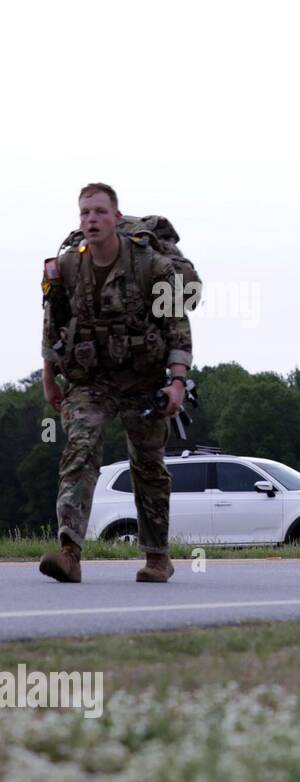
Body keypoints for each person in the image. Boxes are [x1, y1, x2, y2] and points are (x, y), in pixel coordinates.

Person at [38, 183, 193, 584]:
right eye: (85, 213)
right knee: (80, 446)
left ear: (116, 219)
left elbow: (178, 328)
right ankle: (69, 551)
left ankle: (157, 556)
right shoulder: (68, 267)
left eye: (100, 212)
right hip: (90, 380)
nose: (91, 220)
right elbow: (52, 324)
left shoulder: (151, 267)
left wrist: (177, 383)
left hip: (143, 381)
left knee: (148, 464)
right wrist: (48, 377)